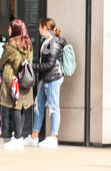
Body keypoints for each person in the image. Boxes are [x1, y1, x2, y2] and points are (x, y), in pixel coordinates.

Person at [29, 18, 67, 148]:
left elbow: (50, 64)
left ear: (45, 28)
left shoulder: (55, 42)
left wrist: (32, 67)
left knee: (53, 107)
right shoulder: (47, 41)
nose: (38, 29)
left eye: (40, 27)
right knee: (38, 106)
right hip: (46, 78)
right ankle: (34, 136)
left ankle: (53, 137)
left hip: (54, 78)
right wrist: (40, 79)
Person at [1, 19, 34, 150]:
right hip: (24, 80)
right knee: (21, 108)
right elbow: (29, 62)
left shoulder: (11, 45)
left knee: (15, 108)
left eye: (10, 28)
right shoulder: (28, 44)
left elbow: (2, 62)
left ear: (14, 30)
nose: (8, 30)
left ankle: (18, 138)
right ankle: (18, 137)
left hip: (13, 80)